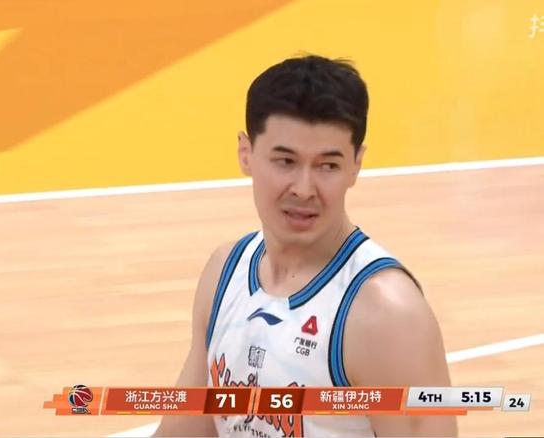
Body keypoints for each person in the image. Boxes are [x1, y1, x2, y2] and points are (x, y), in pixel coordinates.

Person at [154, 55, 456, 437]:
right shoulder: (224, 272)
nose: (303, 189)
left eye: (327, 166)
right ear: (246, 154)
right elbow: (186, 429)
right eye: (285, 161)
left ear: (356, 164)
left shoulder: (386, 314)